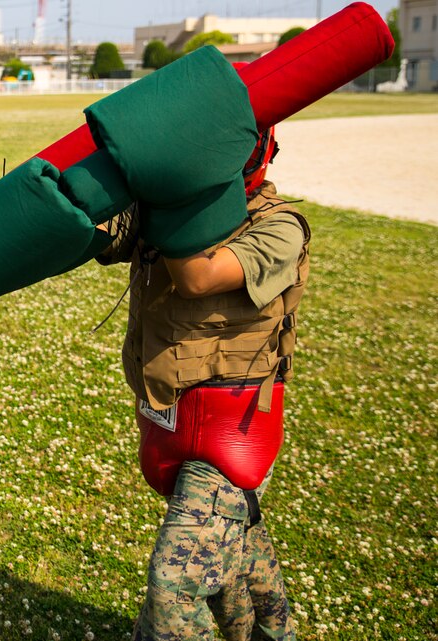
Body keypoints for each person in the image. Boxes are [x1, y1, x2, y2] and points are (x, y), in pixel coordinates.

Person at [98, 126, 306, 640]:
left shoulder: (280, 228)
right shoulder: (159, 207)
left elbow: (198, 277)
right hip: (170, 416)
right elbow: (99, 237)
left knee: (176, 585)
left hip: (230, 431)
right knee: (237, 561)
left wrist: (171, 190)